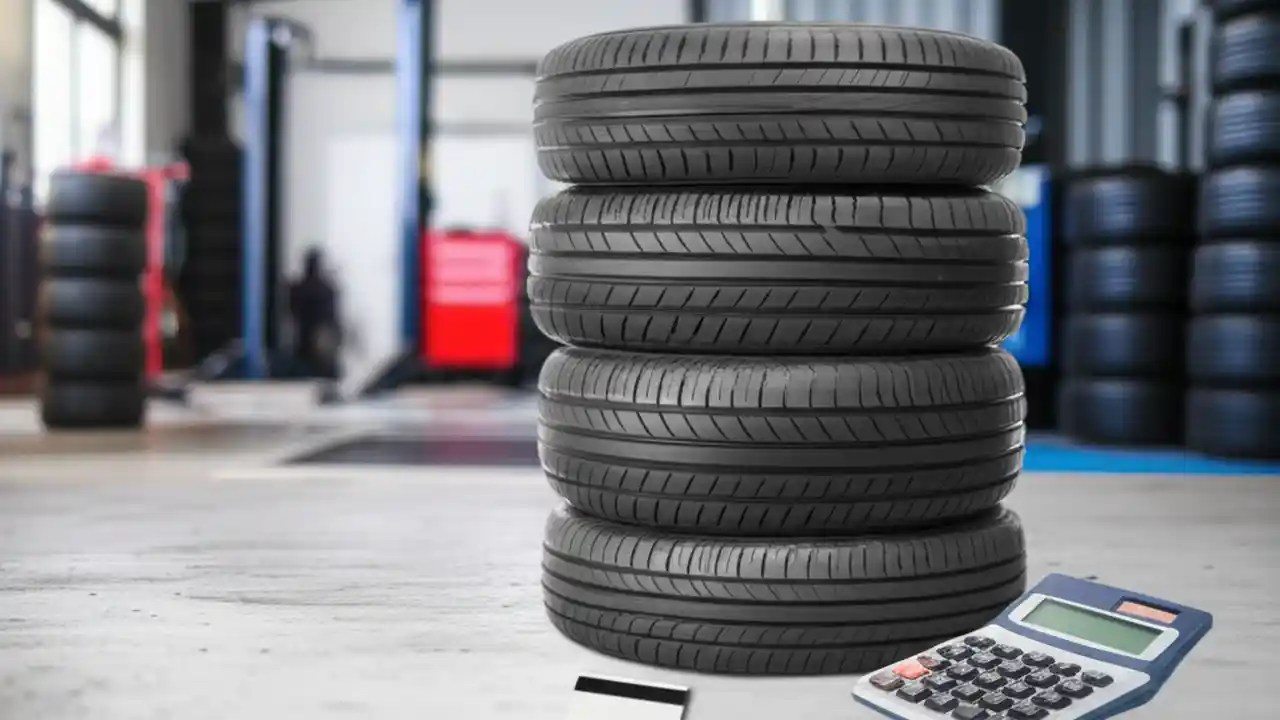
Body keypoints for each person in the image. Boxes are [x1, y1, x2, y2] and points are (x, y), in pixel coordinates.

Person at [288, 247, 340, 378]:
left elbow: (291, 311)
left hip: (305, 336)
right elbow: (333, 315)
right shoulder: (328, 288)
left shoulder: (297, 288)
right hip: (321, 337)